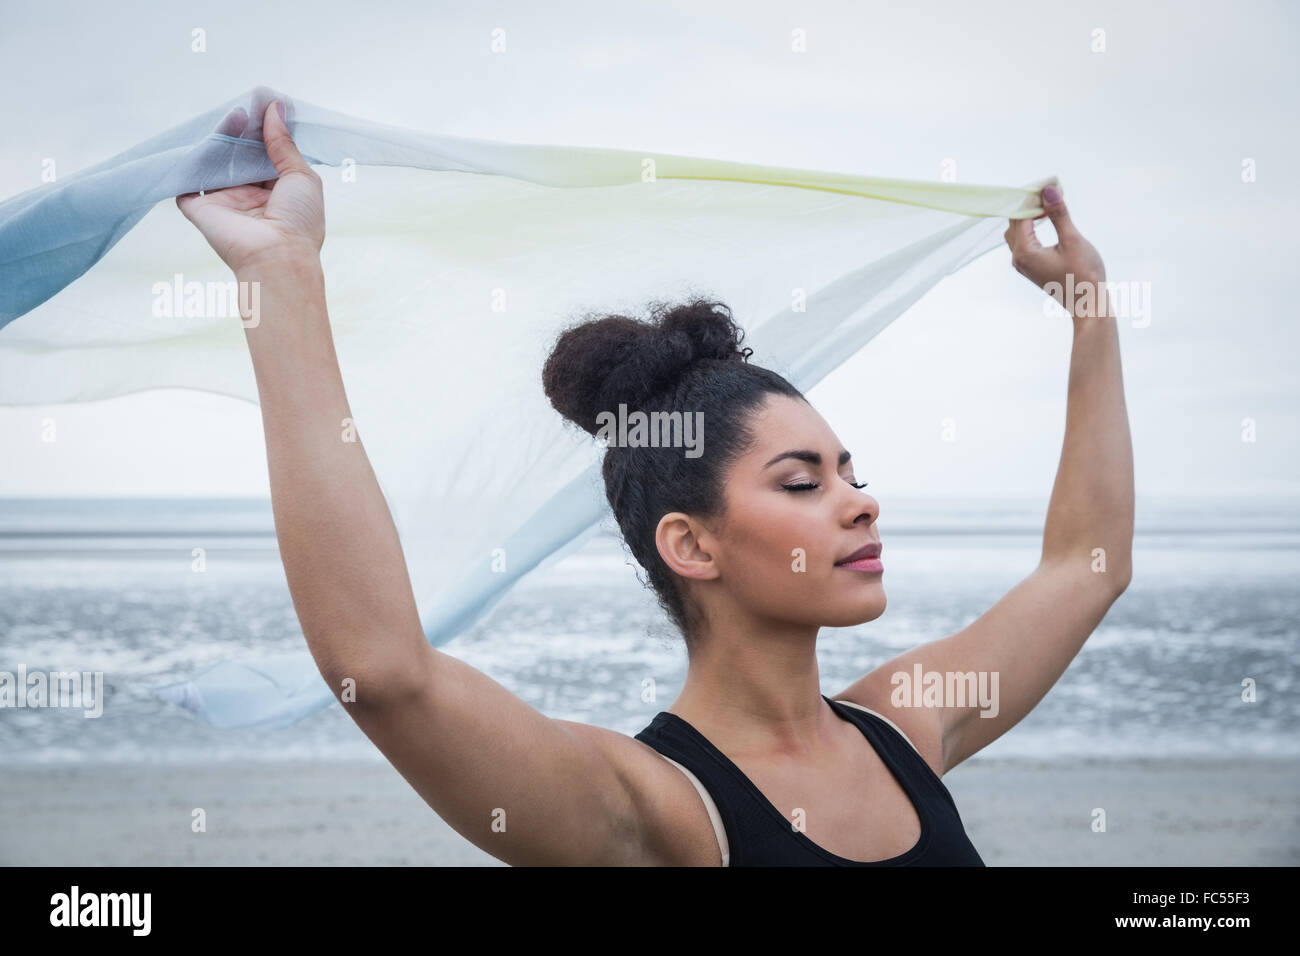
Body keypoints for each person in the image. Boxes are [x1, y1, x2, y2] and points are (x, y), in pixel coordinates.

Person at [177, 99, 1133, 866]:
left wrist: (1089, 310)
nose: (860, 499)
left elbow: (1085, 570)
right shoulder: (654, 808)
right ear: (690, 543)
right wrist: (281, 272)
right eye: (802, 483)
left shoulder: (906, 726)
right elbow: (383, 672)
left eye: (851, 472)